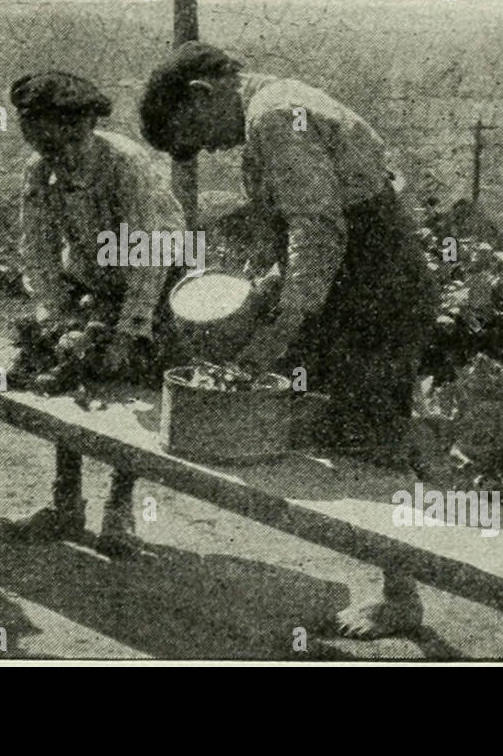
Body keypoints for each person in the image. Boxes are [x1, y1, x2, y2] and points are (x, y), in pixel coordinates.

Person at [139, 42, 438, 637]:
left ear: (202, 94)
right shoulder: (280, 105)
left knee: (373, 441)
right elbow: (332, 213)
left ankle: (401, 598)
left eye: (196, 133)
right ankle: (386, 579)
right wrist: (271, 286)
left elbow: (318, 225)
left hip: (375, 299)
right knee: (318, 426)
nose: (210, 150)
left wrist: (283, 324)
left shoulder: (275, 115)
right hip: (356, 285)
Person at [8, 71, 186, 559]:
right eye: (32, 133)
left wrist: (130, 330)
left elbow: (149, 254)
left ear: (79, 127)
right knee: (70, 380)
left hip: (155, 279)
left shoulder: (124, 165)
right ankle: (66, 505)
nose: (47, 149)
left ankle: (119, 514)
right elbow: (38, 249)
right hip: (90, 278)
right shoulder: (39, 169)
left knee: (130, 399)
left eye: (53, 136)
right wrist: (55, 317)